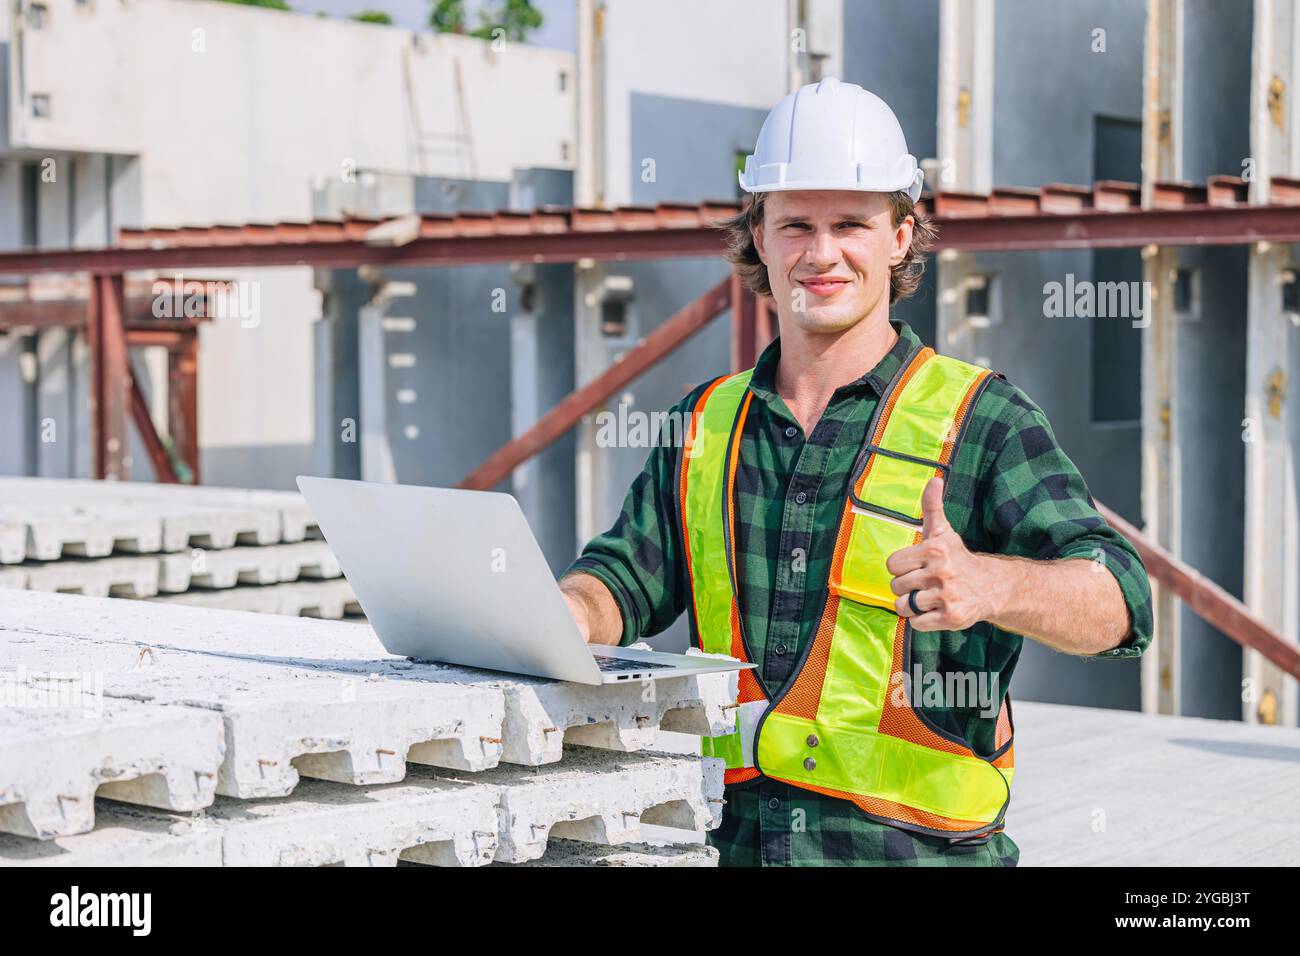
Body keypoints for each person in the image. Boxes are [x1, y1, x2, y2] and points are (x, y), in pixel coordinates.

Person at [559, 77, 1152, 866]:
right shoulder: (705, 423)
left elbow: (1121, 601)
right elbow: (625, 582)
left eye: (852, 224)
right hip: (733, 850)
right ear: (760, 239)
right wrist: (561, 613)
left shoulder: (982, 419)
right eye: (796, 224)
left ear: (902, 236)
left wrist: (990, 585)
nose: (822, 252)